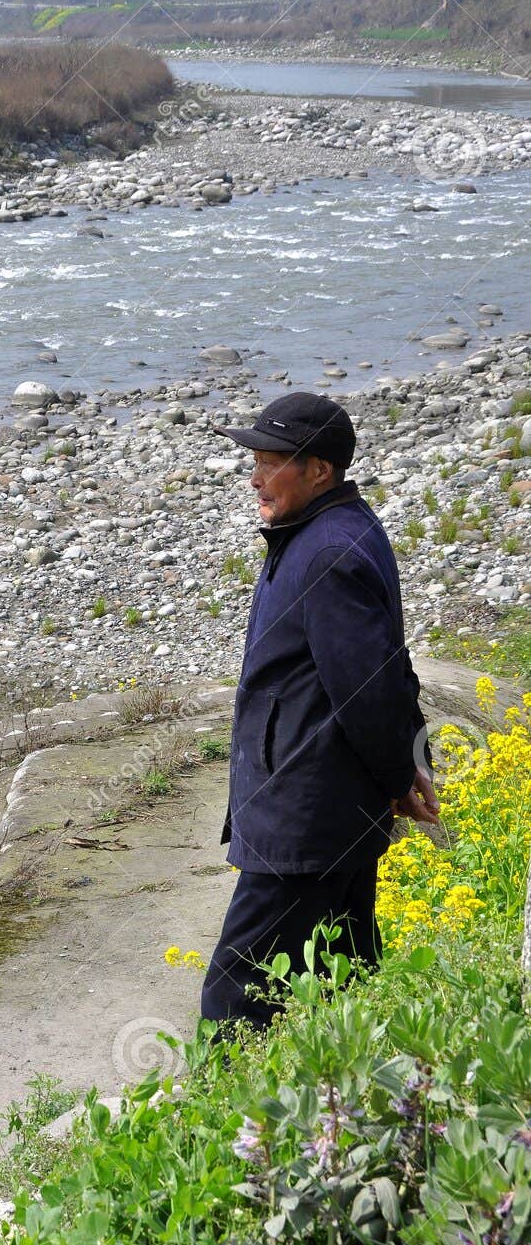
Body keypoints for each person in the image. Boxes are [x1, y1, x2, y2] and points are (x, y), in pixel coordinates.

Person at [199, 391, 440, 1033]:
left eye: (271, 461)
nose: (254, 476)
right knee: (344, 968)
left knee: (236, 989)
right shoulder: (325, 529)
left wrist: (400, 776)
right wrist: (405, 768)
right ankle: (355, 1099)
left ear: (319, 471)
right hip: (325, 806)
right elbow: (389, 668)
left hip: (306, 816)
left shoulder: (329, 550)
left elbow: (374, 689)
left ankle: (220, 1125)